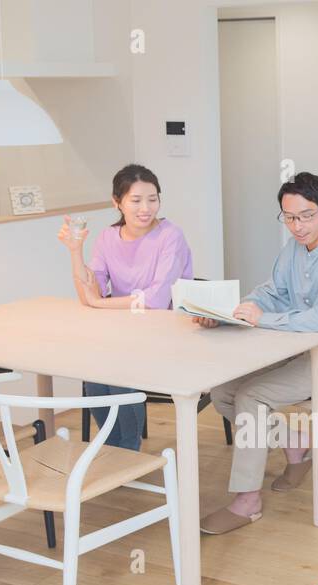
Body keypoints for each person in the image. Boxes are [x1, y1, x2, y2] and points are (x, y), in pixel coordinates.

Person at [197, 172, 318, 534]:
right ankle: (297, 444)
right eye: (289, 217)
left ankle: (247, 502)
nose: (297, 226)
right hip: (300, 350)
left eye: (306, 216)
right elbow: (272, 293)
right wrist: (234, 311)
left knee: (252, 396)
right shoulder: (293, 250)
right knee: (223, 392)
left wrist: (264, 319)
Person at [57, 163, 193, 450]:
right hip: (122, 330)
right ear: (117, 202)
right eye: (136, 200)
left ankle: (128, 448)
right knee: (94, 377)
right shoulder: (108, 237)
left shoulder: (170, 235)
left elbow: (156, 301)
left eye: (152, 199)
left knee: (119, 373)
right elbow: (89, 294)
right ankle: (113, 445)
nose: (146, 208)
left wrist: (100, 303)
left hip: (166, 331)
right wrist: (75, 251)